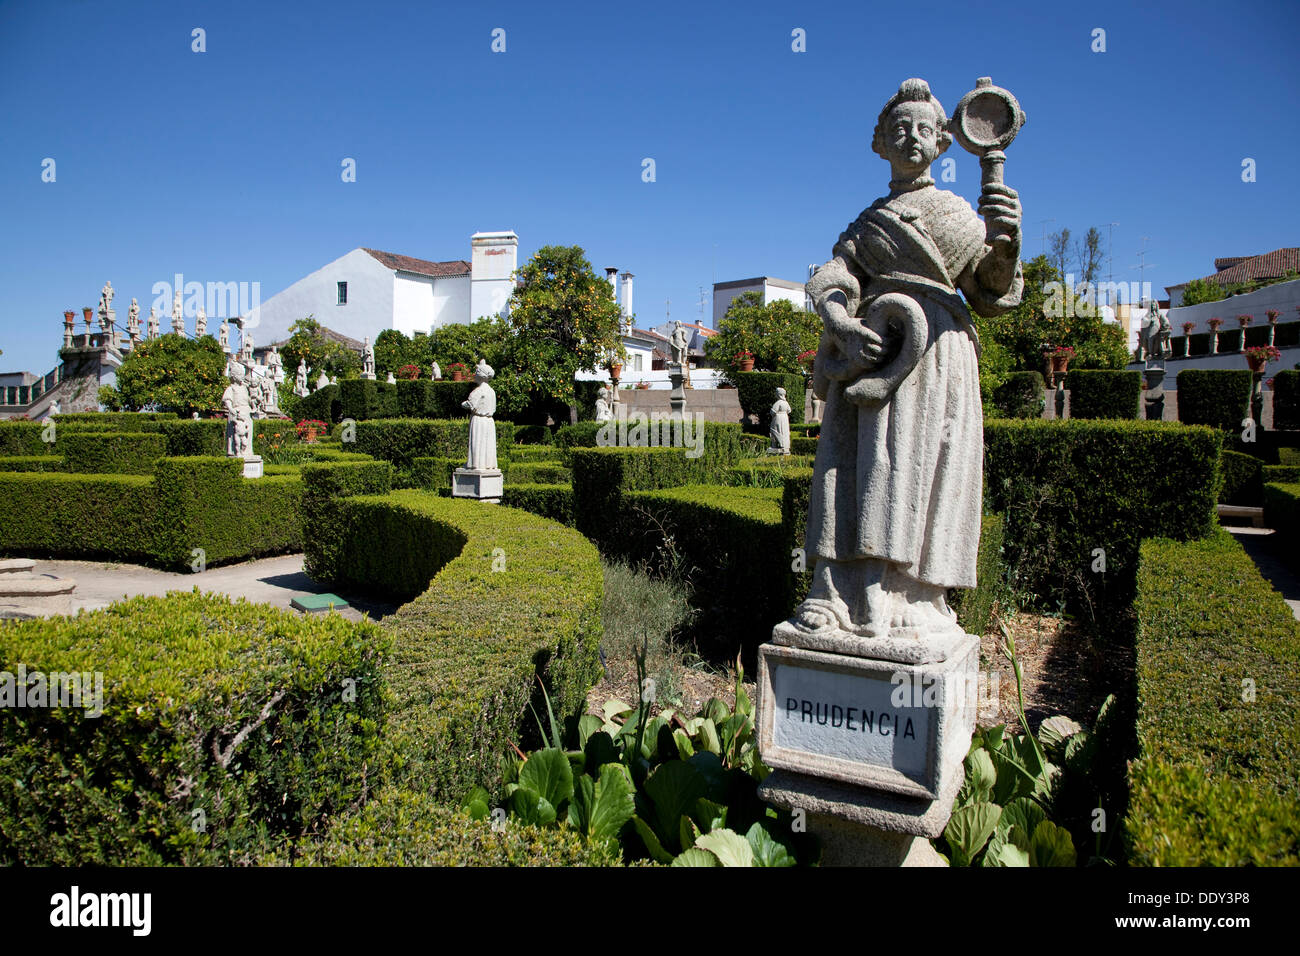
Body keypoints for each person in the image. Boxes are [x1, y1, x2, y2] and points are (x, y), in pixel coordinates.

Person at [778, 77, 1023, 646]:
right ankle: (835, 592)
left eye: (922, 130)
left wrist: (1006, 245)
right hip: (873, 347)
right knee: (850, 465)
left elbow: (991, 293)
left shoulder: (959, 215)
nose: (910, 138)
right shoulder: (868, 224)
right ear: (880, 143)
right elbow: (835, 276)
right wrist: (840, 322)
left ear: (943, 142)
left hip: (937, 354)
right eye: (898, 130)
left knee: (923, 468)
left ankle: (917, 597)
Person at [461, 360, 498, 470]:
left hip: (478, 420)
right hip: (489, 421)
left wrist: (463, 404)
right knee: (487, 445)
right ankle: (487, 464)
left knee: (478, 443)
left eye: (476, 373)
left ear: (480, 375)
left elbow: (469, 404)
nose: (474, 375)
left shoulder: (478, 390)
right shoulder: (491, 391)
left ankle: (476, 464)